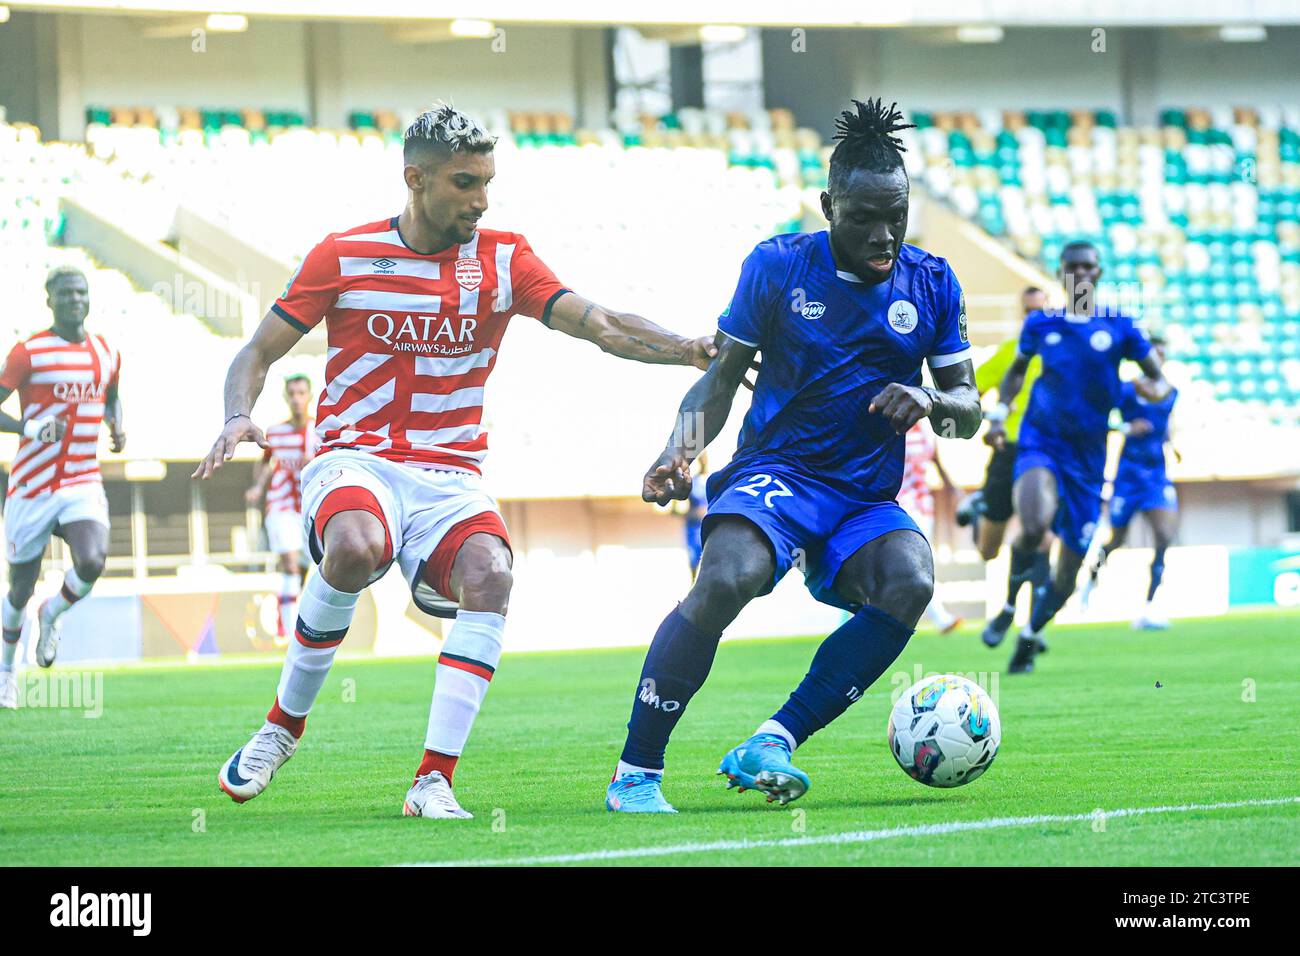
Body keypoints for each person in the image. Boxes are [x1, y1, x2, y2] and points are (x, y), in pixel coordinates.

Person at [193, 104, 718, 818]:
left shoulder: (505, 258)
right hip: (357, 458)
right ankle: (281, 729)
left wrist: (682, 347)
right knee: (354, 546)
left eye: (487, 183)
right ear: (416, 179)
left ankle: (432, 779)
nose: (481, 200)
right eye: (465, 183)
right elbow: (256, 353)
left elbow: (598, 324)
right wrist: (234, 414)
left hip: (450, 475)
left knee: (493, 574)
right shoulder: (342, 255)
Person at [605, 99, 980, 813]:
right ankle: (636, 774)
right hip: (776, 475)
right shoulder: (778, 267)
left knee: (910, 581)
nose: (883, 235)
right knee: (726, 578)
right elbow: (720, 376)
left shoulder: (932, 283)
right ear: (826, 204)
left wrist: (931, 399)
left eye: (895, 217)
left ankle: (773, 740)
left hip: (864, 498)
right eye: (864, 216)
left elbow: (970, 407)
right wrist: (677, 454)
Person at [986, 241, 1169, 674]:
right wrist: (998, 413)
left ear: (1099, 273)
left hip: (1089, 457)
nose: (1081, 273)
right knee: (1033, 523)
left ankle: (1029, 634)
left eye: (1089, 266)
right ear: (1061, 273)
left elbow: (1158, 380)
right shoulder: (1041, 324)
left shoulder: (1119, 325)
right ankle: (1010, 604)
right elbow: (1015, 371)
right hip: (1041, 440)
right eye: (1073, 267)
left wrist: (1151, 390)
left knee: (1068, 569)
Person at [0, 266, 125, 708]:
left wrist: (117, 423)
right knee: (19, 586)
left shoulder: (106, 351)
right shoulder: (28, 352)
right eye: (66, 293)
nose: (75, 299)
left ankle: (51, 613)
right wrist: (27, 428)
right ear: (49, 300)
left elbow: (111, 393)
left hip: (80, 479)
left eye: (81, 292)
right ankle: (6, 671)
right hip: (31, 485)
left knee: (92, 559)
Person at [1080, 335, 1179, 629]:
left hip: (1156, 476)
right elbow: (1097, 418)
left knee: (1164, 536)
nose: (1158, 360)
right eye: (1154, 354)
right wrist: (1125, 427)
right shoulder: (1125, 390)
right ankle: (1090, 580)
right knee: (1116, 540)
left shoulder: (1171, 392)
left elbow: (1166, 424)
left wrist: (1173, 443)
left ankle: (1150, 606)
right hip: (1128, 475)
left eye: (1162, 354)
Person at [245, 373, 316, 640]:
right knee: (289, 564)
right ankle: (288, 634)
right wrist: (257, 487)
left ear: (309, 396)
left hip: (309, 510)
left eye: (301, 393)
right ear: (286, 398)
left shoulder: (318, 432)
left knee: (304, 569)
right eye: (292, 394)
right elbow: (266, 462)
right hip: (281, 505)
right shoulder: (276, 432)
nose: (297, 399)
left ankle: (291, 618)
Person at [897, 420, 962, 633]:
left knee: (921, 563)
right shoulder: (889, 426)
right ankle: (940, 617)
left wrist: (952, 487)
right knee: (918, 564)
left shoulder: (924, 428)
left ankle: (938, 617)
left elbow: (934, 459)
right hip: (897, 504)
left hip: (923, 504)